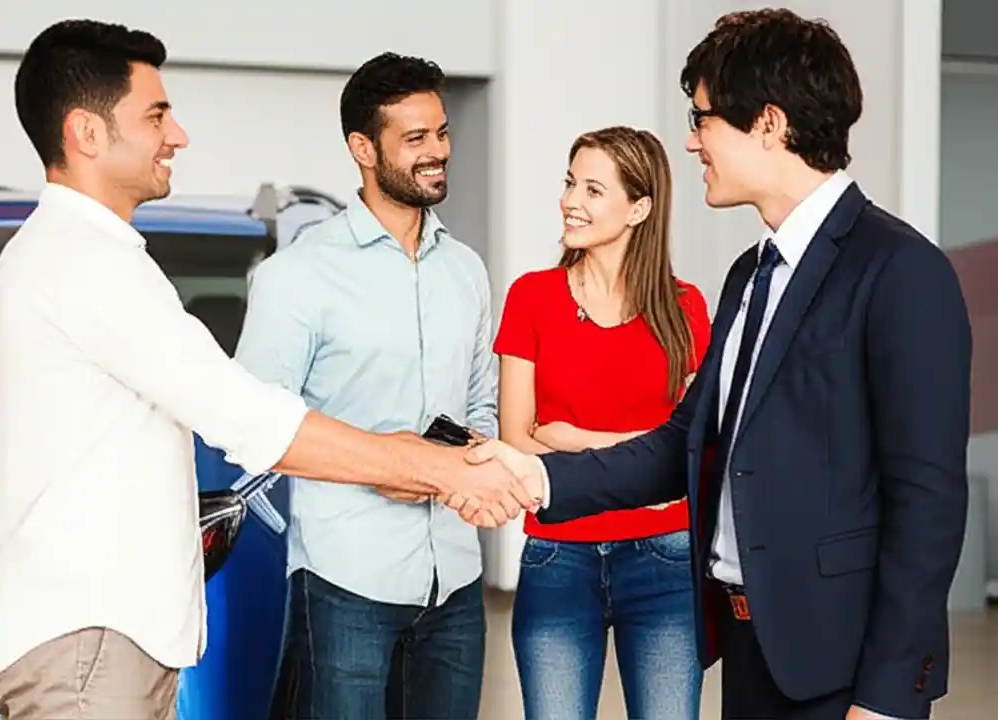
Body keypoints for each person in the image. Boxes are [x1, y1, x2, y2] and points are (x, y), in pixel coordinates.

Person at [0, 21, 537, 720]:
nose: (177, 135)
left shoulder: (89, 260)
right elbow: (245, 416)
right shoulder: (82, 266)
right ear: (87, 133)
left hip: (109, 640)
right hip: (96, 640)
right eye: (156, 115)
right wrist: (432, 467)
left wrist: (444, 466)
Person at [464, 9, 972, 720]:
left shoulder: (899, 270)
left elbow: (929, 501)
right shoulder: (750, 274)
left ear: (768, 124)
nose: (691, 139)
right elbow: (687, 444)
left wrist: (888, 697)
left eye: (702, 119)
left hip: (839, 668)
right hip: (747, 643)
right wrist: (539, 476)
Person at [235, 52, 493, 720]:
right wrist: (381, 464)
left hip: (457, 582)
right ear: (363, 148)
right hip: (346, 583)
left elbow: (482, 405)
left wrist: (460, 461)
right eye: (415, 139)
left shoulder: (466, 271)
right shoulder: (297, 277)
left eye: (440, 133)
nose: (436, 152)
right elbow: (253, 426)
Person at [494, 126, 710, 719]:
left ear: (639, 207)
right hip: (558, 555)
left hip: (667, 555)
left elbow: (695, 447)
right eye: (570, 183)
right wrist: (646, 449)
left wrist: (573, 440)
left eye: (593, 189)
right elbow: (517, 441)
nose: (570, 201)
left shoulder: (685, 306)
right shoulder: (532, 297)